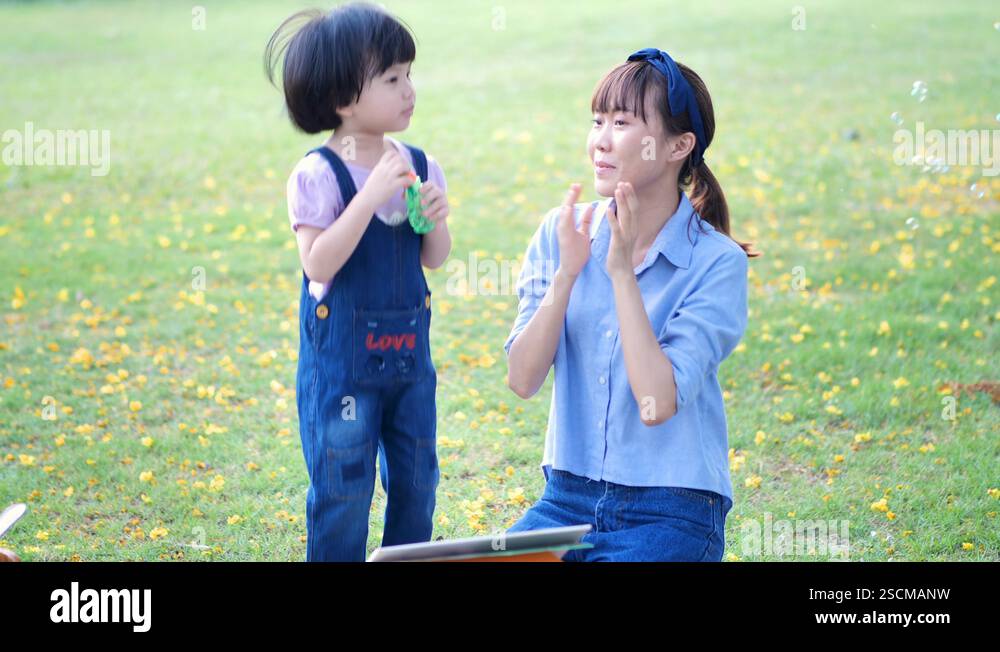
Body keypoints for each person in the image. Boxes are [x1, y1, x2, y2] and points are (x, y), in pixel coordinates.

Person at [504, 49, 760, 561]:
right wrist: (567, 274)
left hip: (673, 511)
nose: (600, 140)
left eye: (621, 123)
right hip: (565, 503)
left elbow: (656, 404)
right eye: (597, 121)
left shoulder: (717, 263)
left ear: (678, 146)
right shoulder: (562, 232)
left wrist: (622, 274)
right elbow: (523, 379)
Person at [265, 2, 451, 561]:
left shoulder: (419, 164)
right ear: (344, 99)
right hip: (342, 370)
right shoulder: (318, 174)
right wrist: (369, 197)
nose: (409, 90)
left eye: (409, 74)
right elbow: (318, 264)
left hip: (409, 364)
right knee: (343, 488)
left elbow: (435, 258)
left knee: (417, 480)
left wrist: (435, 220)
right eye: (392, 79)